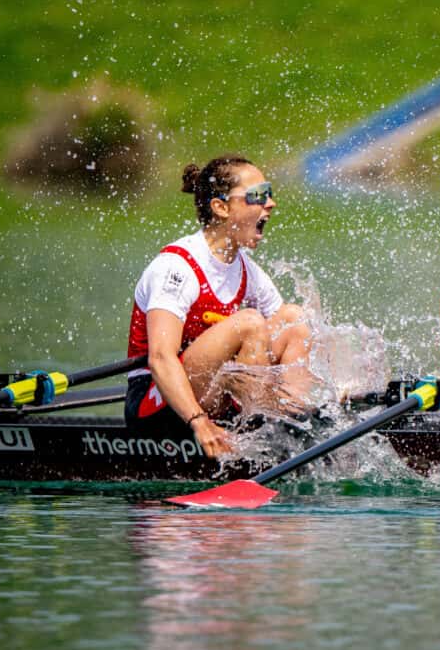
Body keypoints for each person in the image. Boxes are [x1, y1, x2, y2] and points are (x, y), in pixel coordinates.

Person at [125, 154, 312, 457]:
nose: (270, 204)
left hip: (210, 394)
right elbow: (160, 358)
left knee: (294, 319)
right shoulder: (176, 267)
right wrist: (199, 423)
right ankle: (259, 433)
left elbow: (286, 339)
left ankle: (293, 423)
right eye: (257, 196)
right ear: (221, 207)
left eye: (270, 194)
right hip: (156, 405)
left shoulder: (248, 271)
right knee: (249, 324)